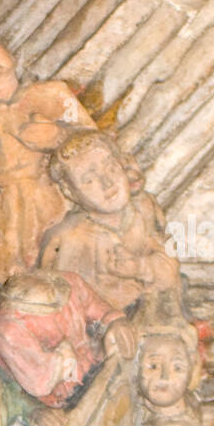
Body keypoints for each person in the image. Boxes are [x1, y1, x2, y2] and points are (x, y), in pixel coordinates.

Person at [0, 23, 96, 283]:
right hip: (8, 223)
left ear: (9, 52)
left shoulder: (53, 94)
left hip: (63, 208)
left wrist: (60, 136)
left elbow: (97, 150)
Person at [40, 129, 181, 311]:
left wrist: (140, 267)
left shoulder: (142, 209)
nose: (107, 183)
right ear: (70, 191)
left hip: (149, 315)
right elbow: (60, 305)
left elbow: (170, 268)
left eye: (112, 168)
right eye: (89, 180)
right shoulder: (69, 239)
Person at [0, 269, 134, 407]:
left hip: (95, 370)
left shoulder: (69, 284)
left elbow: (98, 309)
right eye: (49, 308)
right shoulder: (9, 328)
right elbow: (40, 382)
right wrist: (64, 354)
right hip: (52, 400)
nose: (60, 309)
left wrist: (115, 322)